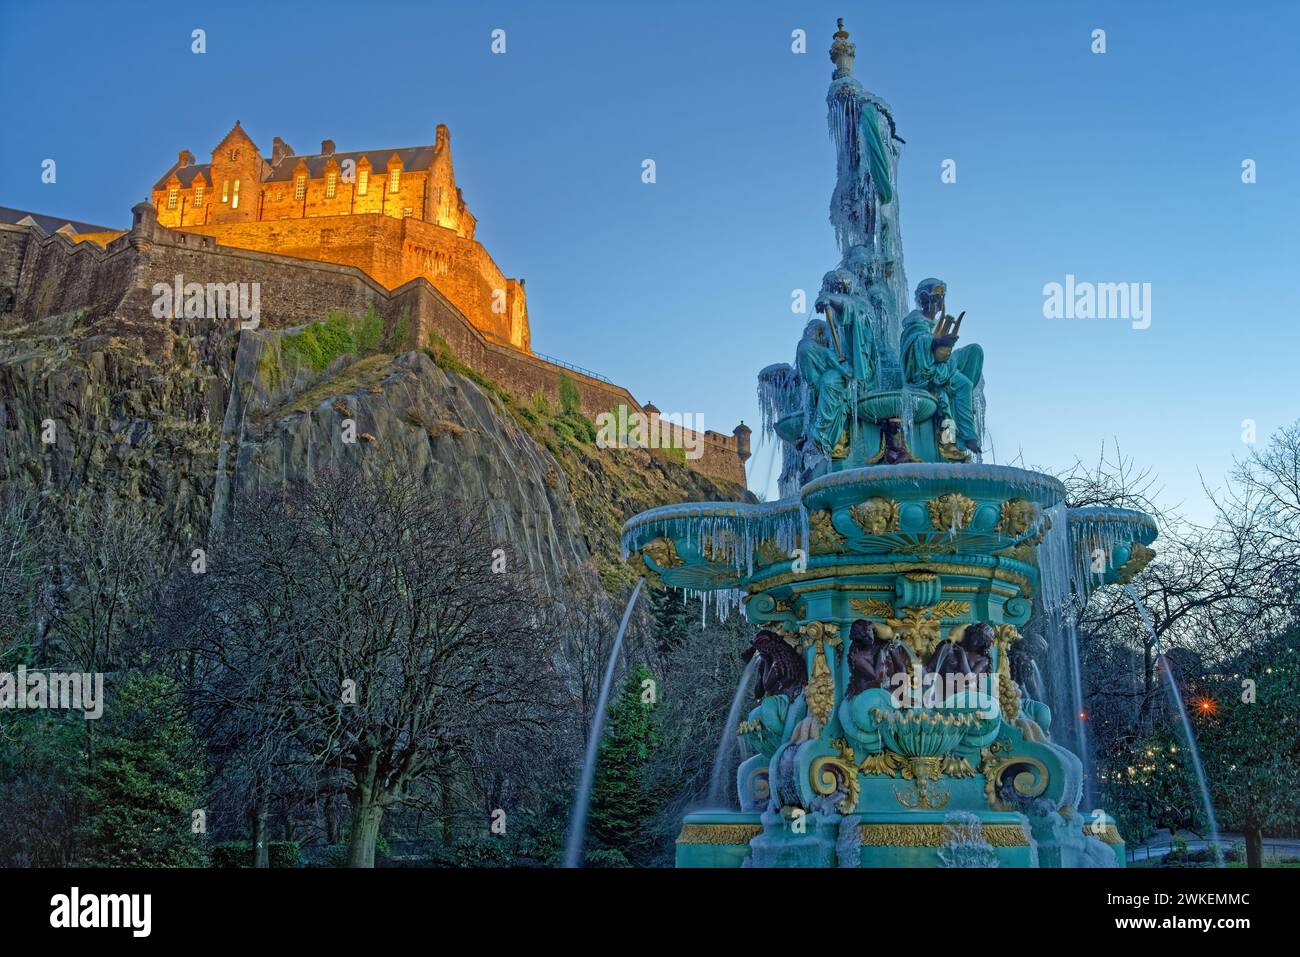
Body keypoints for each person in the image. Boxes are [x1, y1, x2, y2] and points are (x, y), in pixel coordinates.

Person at [901, 278, 983, 455]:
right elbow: (911, 345)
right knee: (963, 385)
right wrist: (935, 340)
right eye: (935, 298)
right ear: (924, 299)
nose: (939, 303)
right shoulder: (915, 320)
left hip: (940, 365)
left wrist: (945, 343)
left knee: (974, 352)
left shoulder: (934, 323)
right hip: (923, 371)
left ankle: (963, 403)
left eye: (941, 298)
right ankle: (966, 436)